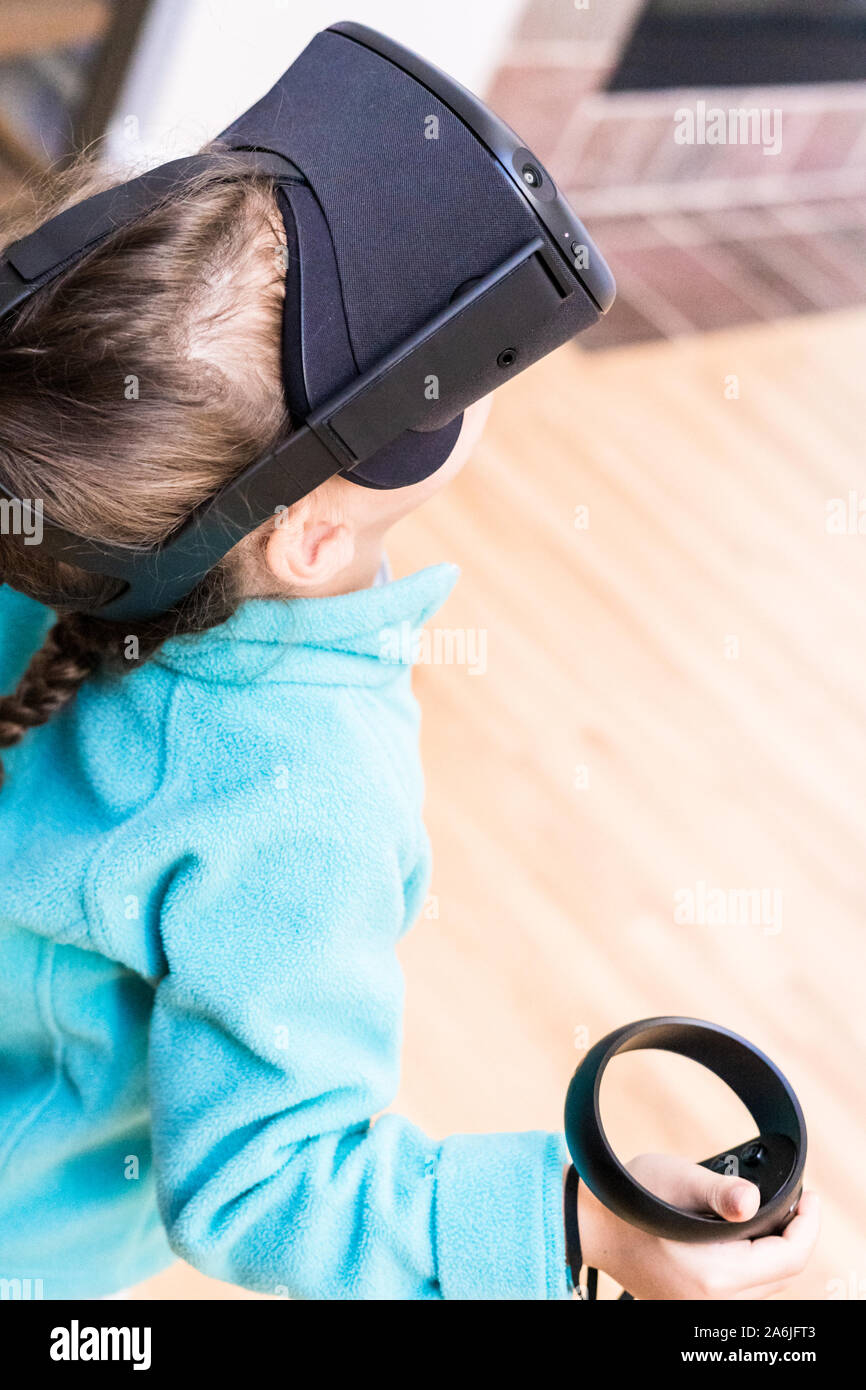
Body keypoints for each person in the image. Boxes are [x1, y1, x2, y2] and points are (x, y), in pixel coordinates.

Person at [0, 150, 819, 1299]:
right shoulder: (301, 795)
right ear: (311, 539)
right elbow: (271, 1178)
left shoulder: (55, 496)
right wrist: (578, 1224)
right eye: (420, 382)